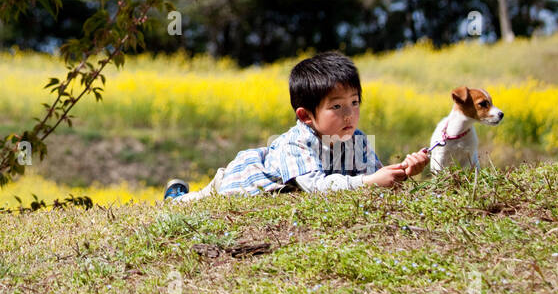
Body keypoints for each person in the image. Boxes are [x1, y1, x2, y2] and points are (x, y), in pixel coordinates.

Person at [164, 51, 428, 201]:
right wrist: (371, 181)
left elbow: (374, 179)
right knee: (197, 201)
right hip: (243, 177)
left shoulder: (357, 139)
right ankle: (175, 197)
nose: (349, 114)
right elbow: (316, 186)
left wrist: (404, 172)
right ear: (305, 116)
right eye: (336, 106)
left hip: (278, 185)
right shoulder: (296, 142)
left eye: (355, 102)